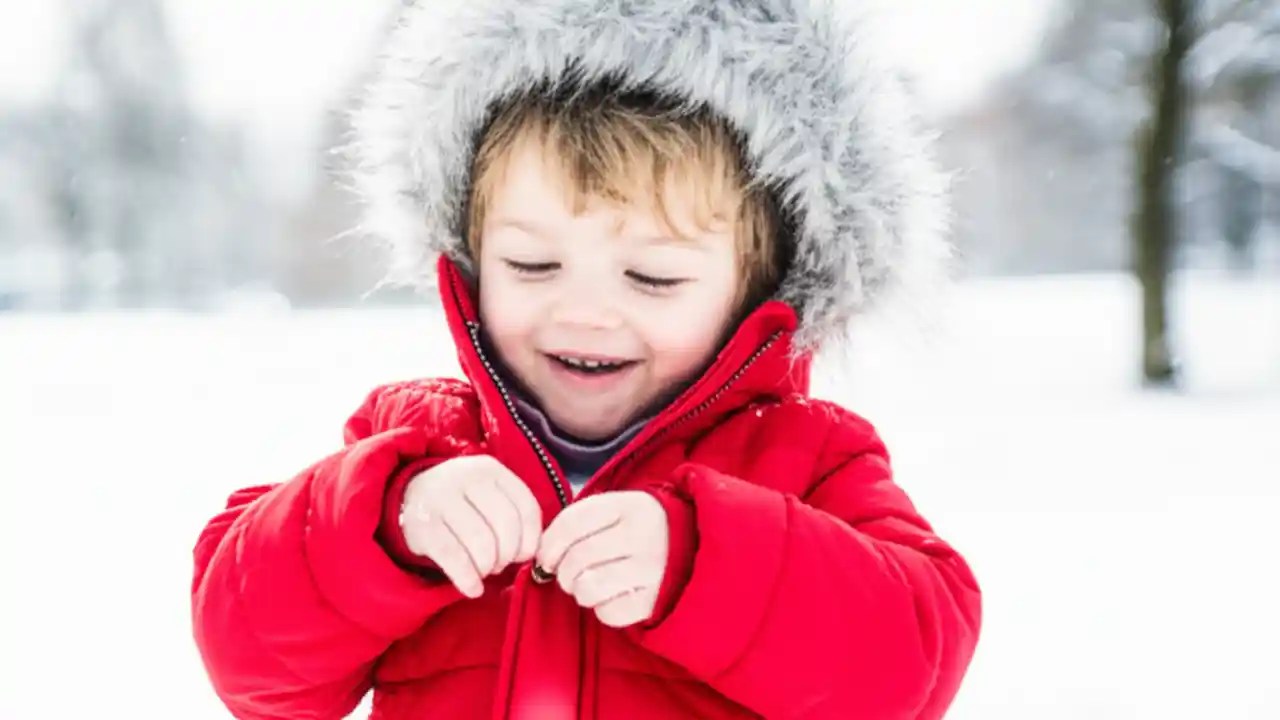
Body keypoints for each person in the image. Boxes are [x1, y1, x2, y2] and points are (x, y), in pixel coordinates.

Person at [191, 1, 982, 718]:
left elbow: (910, 669)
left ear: (758, 286)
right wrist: (386, 524)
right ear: (469, 260)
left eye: (653, 277)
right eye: (533, 266)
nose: (586, 314)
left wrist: (707, 565)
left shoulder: (806, 459)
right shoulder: (416, 447)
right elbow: (252, 664)